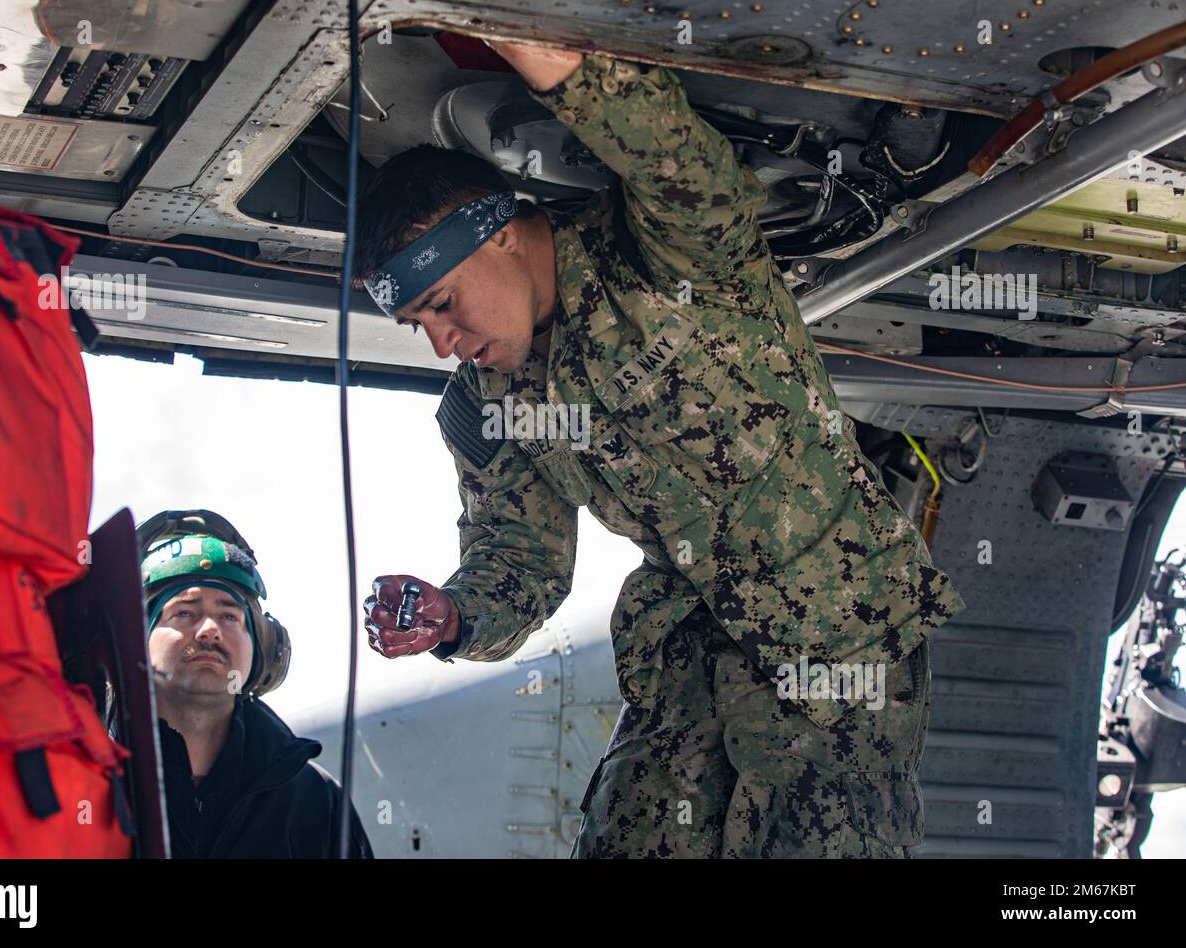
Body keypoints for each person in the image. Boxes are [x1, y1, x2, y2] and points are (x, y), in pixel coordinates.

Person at [359, 42, 965, 857]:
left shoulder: (661, 259)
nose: (440, 343)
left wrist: (549, 57)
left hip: (834, 641)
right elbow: (521, 560)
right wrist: (457, 616)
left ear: (498, 235)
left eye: (441, 305)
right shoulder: (487, 406)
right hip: (678, 668)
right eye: (418, 326)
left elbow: (688, 170)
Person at [139, 509, 373, 858]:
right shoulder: (82, 785)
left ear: (263, 646)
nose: (209, 630)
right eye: (184, 612)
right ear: (136, 639)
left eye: (230, 615)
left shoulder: (315, 801)